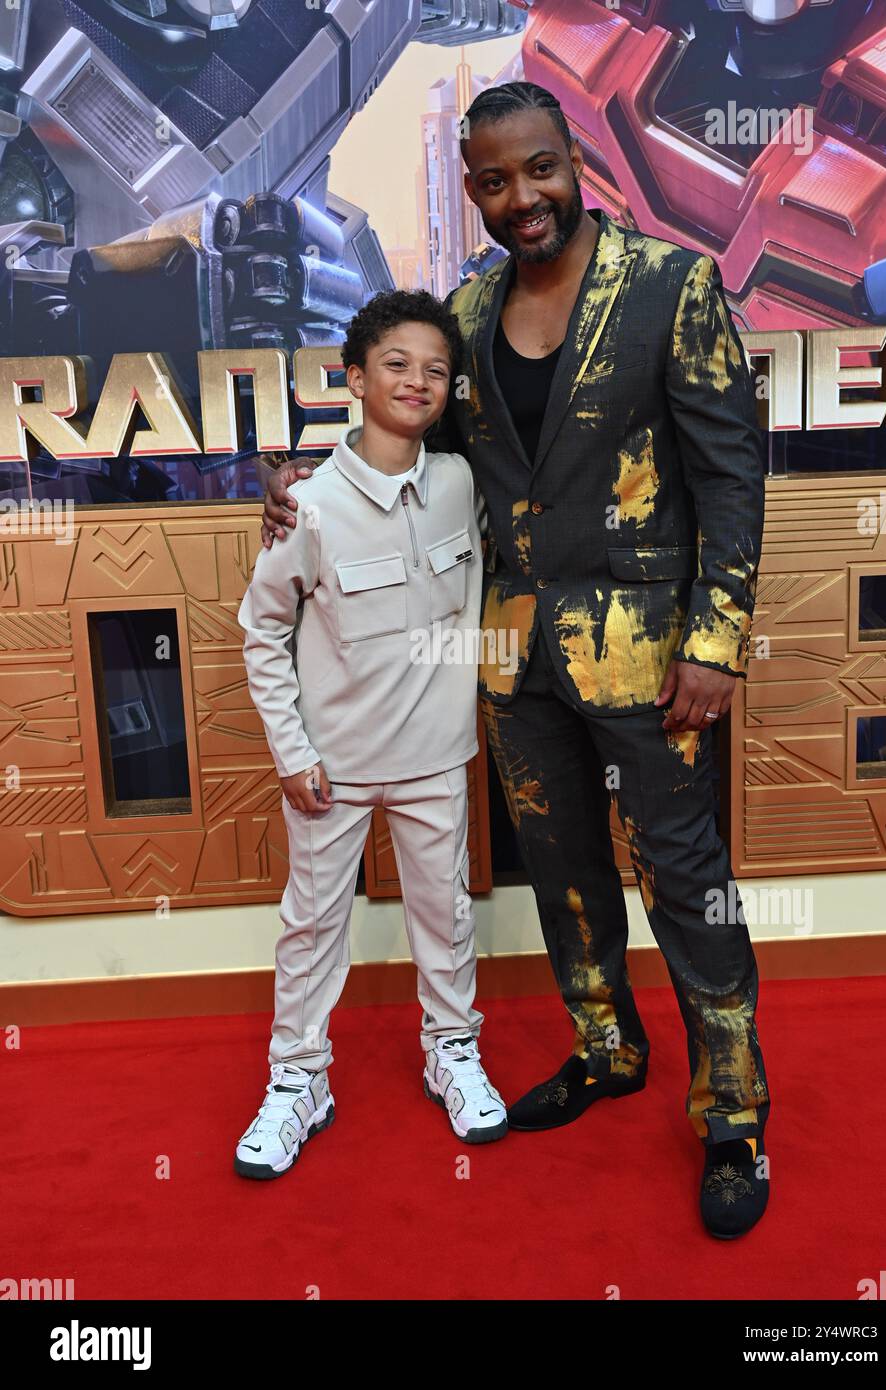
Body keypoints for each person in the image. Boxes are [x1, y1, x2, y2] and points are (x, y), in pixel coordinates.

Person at [262, 82, 771, 1238]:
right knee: (562, 871)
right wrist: (296, 482)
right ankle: (606, 1046)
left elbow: (731, 474)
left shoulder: (669, 285)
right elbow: (405, 434)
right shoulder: (467, 307)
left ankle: (733, 1110)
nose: (518, 198)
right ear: (474, 192)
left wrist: (715, 638)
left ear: (573, 159)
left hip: (652, 657)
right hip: (510, 653)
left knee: (686, 883)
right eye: (490, 181)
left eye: (536, 169)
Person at [235, 288, 507, 1180]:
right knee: (311, 927)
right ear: (354, 377)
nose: (416, 381)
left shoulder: (463, 483)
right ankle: (297, 1081)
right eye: (396, 364)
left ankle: (452, 1052)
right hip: (332, 769)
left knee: (445, 917)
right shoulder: (305, 507)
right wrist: (293, 753)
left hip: (436, 760)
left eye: (435, 369)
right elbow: (261, 631)